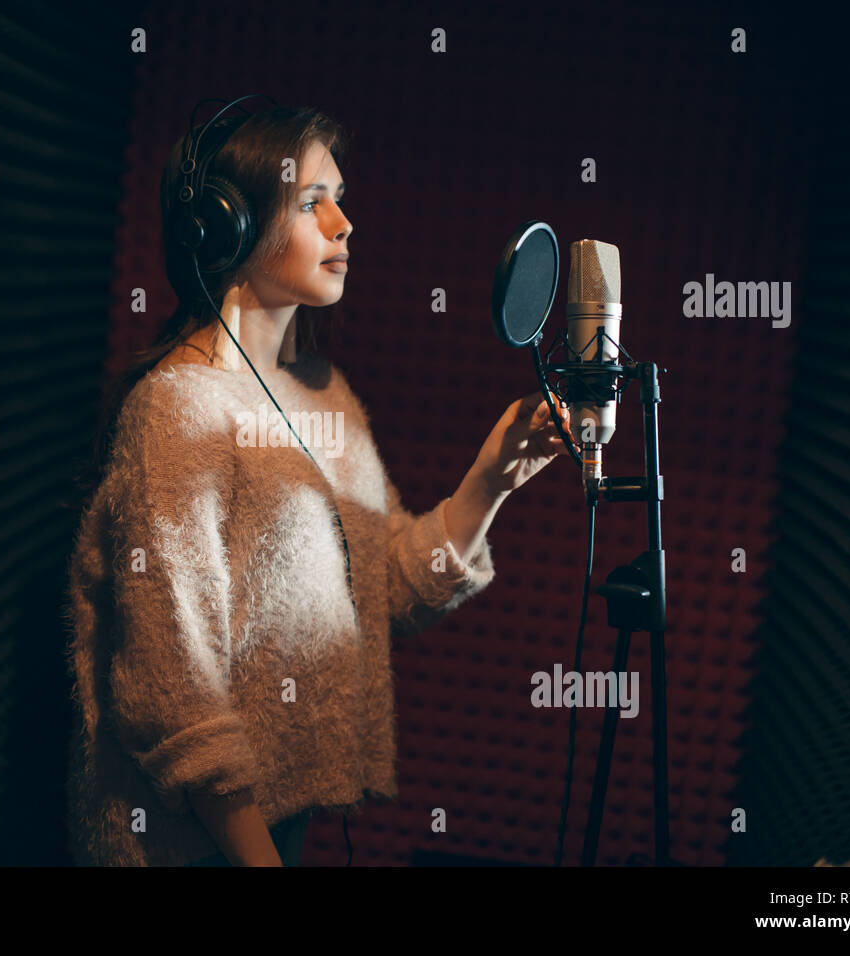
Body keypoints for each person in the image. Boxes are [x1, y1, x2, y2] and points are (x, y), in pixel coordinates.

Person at [64, 103, 573, 867]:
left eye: (340, 197)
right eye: (310, 202)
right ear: (228, 227)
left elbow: (391, 586)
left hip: (275, 828)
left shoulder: (319, 393)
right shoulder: (174, 414)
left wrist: (490, 479)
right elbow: (171, 691)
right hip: (186, 845)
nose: (343, 223)